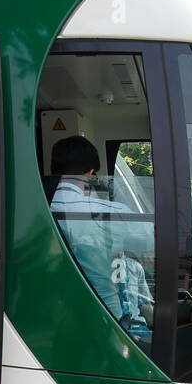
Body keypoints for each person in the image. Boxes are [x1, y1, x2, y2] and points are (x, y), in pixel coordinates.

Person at [48, 135, 154, 325]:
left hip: (54, 313)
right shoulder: (111, 212)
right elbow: (151, 241)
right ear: (90, 173)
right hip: (103, 316)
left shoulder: (38, 209)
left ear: (53, 169)